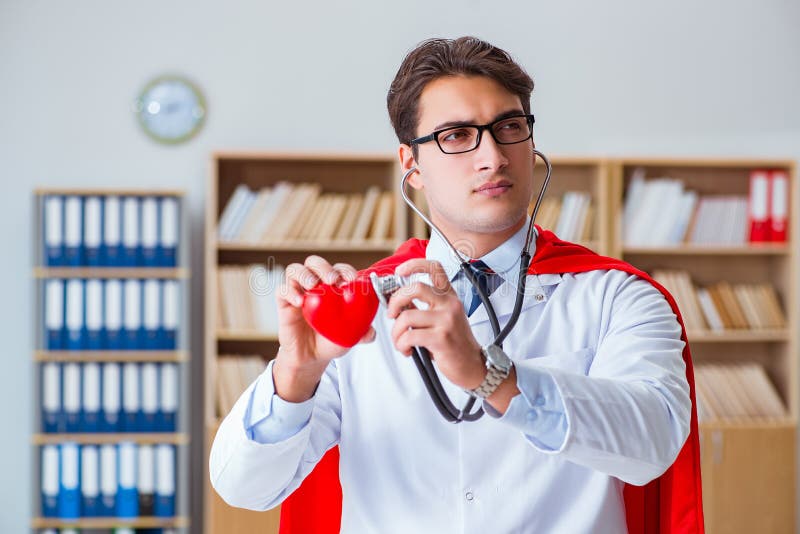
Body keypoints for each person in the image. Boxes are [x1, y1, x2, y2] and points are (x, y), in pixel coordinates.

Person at [210, 36, 703, 533]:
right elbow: (245, 488)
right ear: (412, 166)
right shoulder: (359, 311)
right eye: (456, 135)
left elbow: (654, 442)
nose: (492, 156)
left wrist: (490, 376)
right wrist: (296, 373)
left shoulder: (619, 297)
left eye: (509, 127)